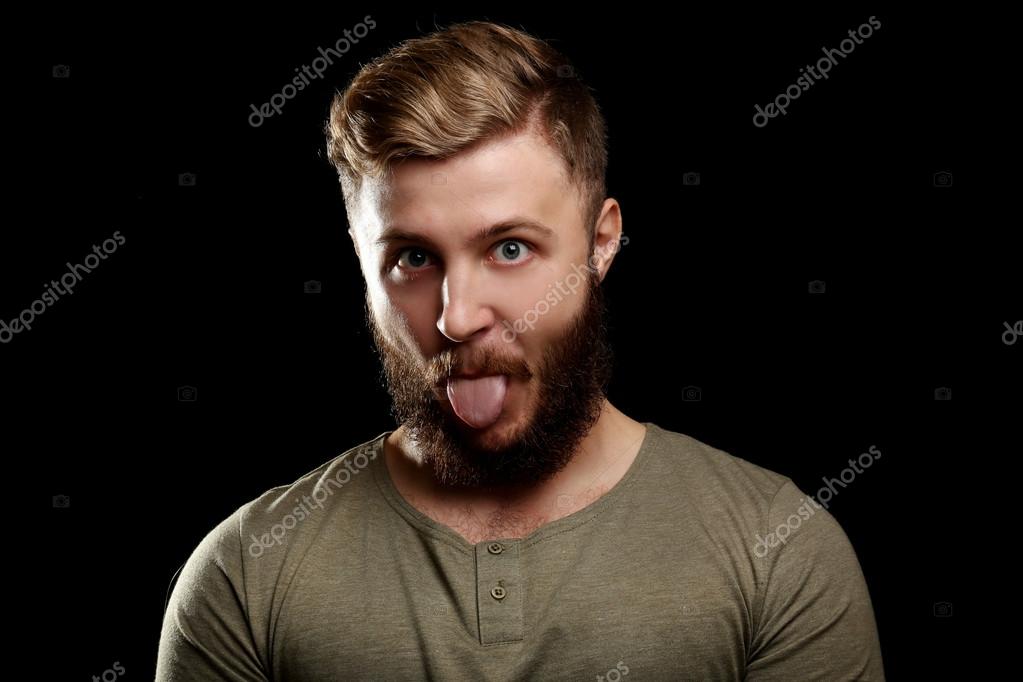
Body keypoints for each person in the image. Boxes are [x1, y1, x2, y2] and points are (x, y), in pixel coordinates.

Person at [157, 21, 884, 680]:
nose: (457, 317)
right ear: (359, 261)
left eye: (509, 248)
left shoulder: (778, 553)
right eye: (412, 258)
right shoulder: (244, 576)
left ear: (601, 242)